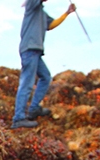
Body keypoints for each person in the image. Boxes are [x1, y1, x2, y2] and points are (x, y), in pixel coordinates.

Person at [11, 1, 77, 130]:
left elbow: (51, 25)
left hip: (35, 51)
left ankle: (34, 109)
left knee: (45, 77)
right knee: (26, 83)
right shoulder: (31, 4)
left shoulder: (41, 12)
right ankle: (18, 118)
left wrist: (67, 13)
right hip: (29, 49)